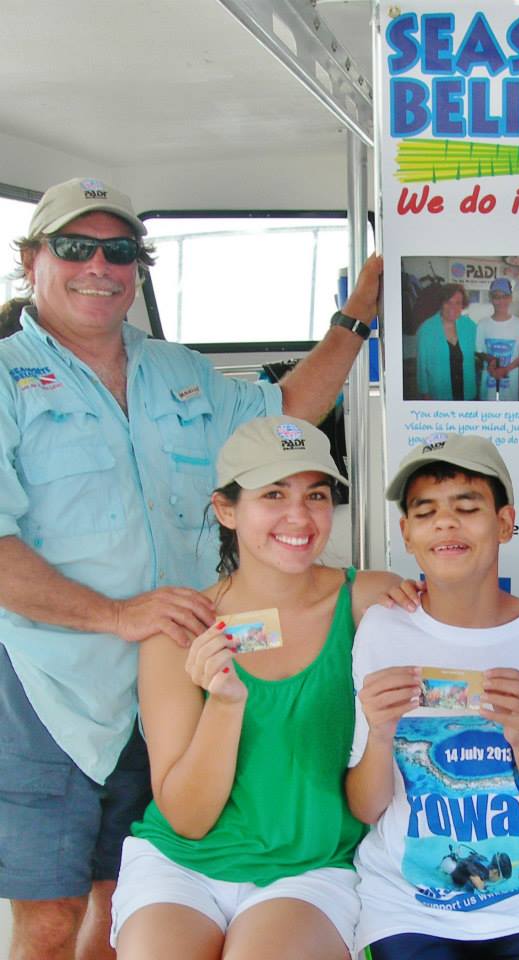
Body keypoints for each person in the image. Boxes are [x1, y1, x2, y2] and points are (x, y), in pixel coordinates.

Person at [0, 176, 380, 960]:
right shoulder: (5, 379)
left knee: (118, 899)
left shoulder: (182, 370)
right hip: (51, 686)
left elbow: (282, 422)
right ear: (32, 259)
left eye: (119, 250)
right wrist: (115, 615)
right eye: (75, 247)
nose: (98, 266)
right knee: (47, 916)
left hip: (180, 672)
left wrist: (354, 322)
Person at [110, 415, 404, 960]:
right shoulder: (179, 630)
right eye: (274, 494)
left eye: (316, 494)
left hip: (310, 868)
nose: (299, 515)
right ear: (227, 510)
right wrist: (224, 704)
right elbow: (189, 819)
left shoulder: (369, 601)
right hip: (181, 863)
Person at [346, 434, 519, 959]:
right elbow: (365, 806)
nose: (446, 523)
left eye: (467, 507)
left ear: (505, 522)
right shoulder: (382, 629)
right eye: (426, 511)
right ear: (406, 534)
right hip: (405, 903)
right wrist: (381, 731)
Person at [415, 283, 478, 401]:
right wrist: (425, 393)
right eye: (448, 302)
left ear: (463, 305)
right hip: (439, 394)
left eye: (458, 303)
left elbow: (481, 350)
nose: (453, 307)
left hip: (467, 393)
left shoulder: (470, 326)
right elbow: (421, 365)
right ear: (441, 303)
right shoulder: (426, 329)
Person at [475, 278, 519, 402]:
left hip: (510, 388)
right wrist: (490, 360)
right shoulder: (482, 324)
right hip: (488, 386)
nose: (500, 301)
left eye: (505, 296)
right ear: (490, 298)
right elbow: (479, 351)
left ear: (510, 298)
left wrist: (506, 369)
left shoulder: (518, 324)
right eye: (496, 296)